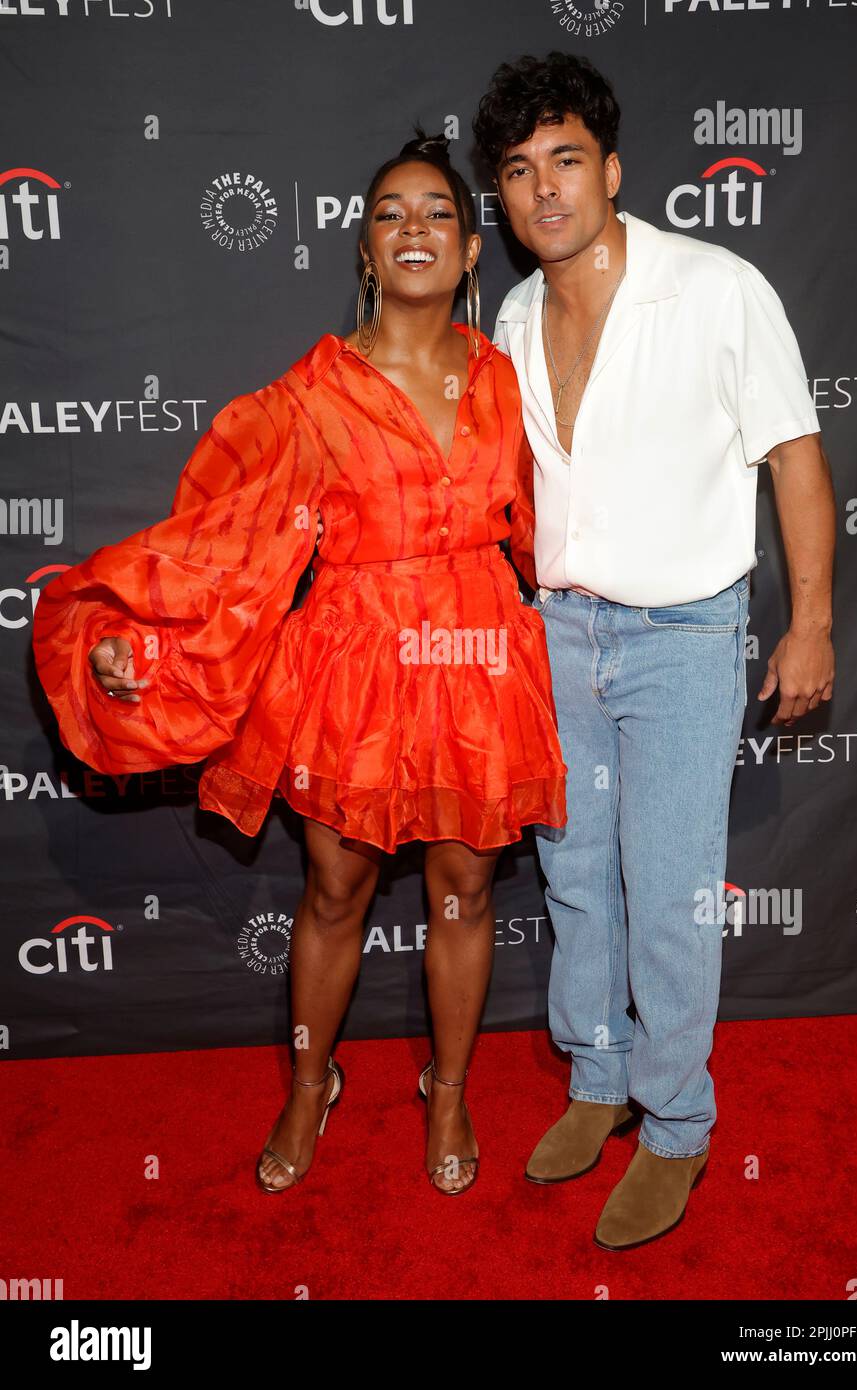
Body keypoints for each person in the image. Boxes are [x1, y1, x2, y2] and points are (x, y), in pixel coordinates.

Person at [31, 129, 567, 1198]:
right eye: (390, 214)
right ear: (366, 252)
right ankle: (308, 1081)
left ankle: (449, 1087)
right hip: (354, 667)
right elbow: (221, 534)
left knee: (464, 889)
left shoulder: (514, 381)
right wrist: (144, 640)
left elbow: (545, 527)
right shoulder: (310, 394)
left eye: (438, 214)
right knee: (334, 891)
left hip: (474, 658)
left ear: (470, 254)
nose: (415, 228)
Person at [473, 53, 835, 1247]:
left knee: (671, 893)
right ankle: (599, 1079)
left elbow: (794, 453)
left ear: (612, 169)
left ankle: (677, 1123)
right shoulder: (514, 312)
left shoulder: (718, 285)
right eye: (520, 173)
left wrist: (814, 622)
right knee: (576, 877)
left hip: (685, 632)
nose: (546, 191)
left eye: (566, 161)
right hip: (556, 630)